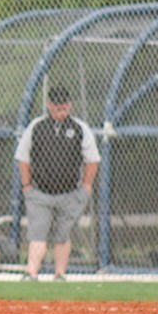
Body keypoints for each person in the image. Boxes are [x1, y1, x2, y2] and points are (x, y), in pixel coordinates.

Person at [14, 85, 101, 281]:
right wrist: (27, 185)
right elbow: (22, 158)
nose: (61, 110)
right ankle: (31, 273)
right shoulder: (37, 127)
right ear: (49, 105)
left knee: (62, 234)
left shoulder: (79, 128)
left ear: (70, 105)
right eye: (57, 107)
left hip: (70, 193)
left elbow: (92, 159)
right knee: (38, 234)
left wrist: (86, 186)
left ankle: (59, 274)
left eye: (64, 106)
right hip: (40, 193)